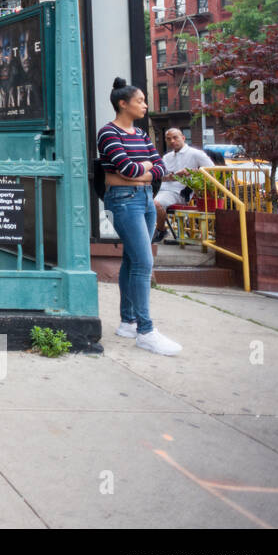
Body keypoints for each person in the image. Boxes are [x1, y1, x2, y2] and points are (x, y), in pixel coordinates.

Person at [96, 77, 182, 356]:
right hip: (123, 201)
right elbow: (128, 169)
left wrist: (141, 168)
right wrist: (142, 169)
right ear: (123, 104)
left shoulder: (142, 135)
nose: (145, 105)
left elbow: (158, 166)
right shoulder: (108, 133)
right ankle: (146, 331)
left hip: (145, 199)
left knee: (133, 260)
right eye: (140, 101)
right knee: (144, 262)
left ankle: (128, 322)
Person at [154, 128, 215, 242]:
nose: (172, 141)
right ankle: (156, 231)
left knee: (155, 203)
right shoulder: (167, 157)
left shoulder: (195, 153)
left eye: (175, 137)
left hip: (180, 192)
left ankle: (160, 230)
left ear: (183, 138)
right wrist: (168, 177)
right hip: (162, 190)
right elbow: (160, 176)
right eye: (168, 139)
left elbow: (212, 170)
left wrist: (190, 171)